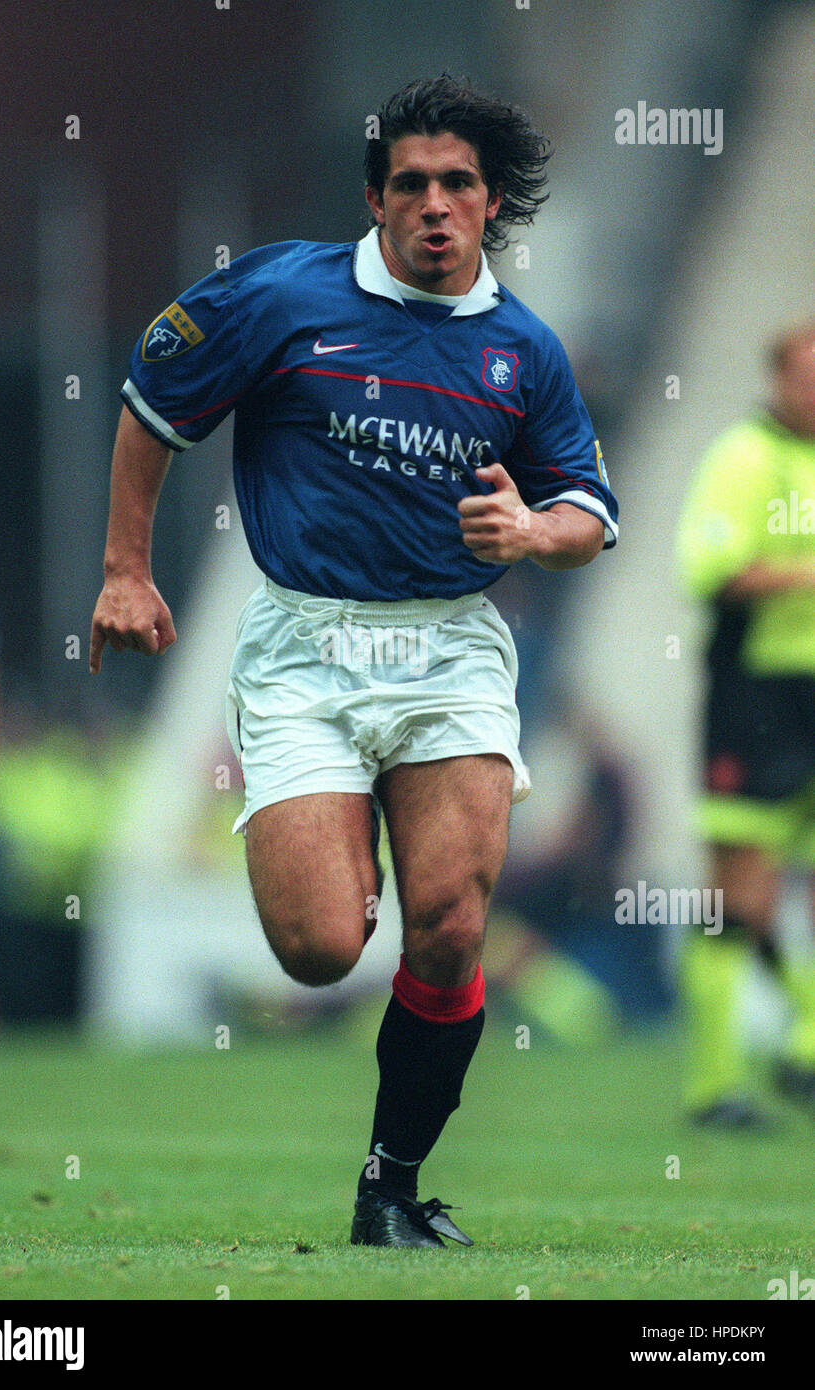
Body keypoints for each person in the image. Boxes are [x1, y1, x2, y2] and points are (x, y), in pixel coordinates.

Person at [90, 76, 618, 1247]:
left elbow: (588, 508)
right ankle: (340, 856)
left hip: (450, 654)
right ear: (375, 197)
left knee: (447, 921)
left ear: (492, 204)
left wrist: (534, 531)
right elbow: (151, 396)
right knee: (322, 947)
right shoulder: (282, 293)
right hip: (304, 651)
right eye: (413, 184)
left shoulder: (524, 351)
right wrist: (127, 568)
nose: (436, 205)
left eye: (459, 185)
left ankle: (392, 1188)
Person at [676, 323, 815, 1128]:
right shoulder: (742, 458)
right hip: (757, 699)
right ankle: (715, 1084)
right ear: (775, 380)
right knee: (740, 899)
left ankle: (803, 1041)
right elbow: (712, 570)